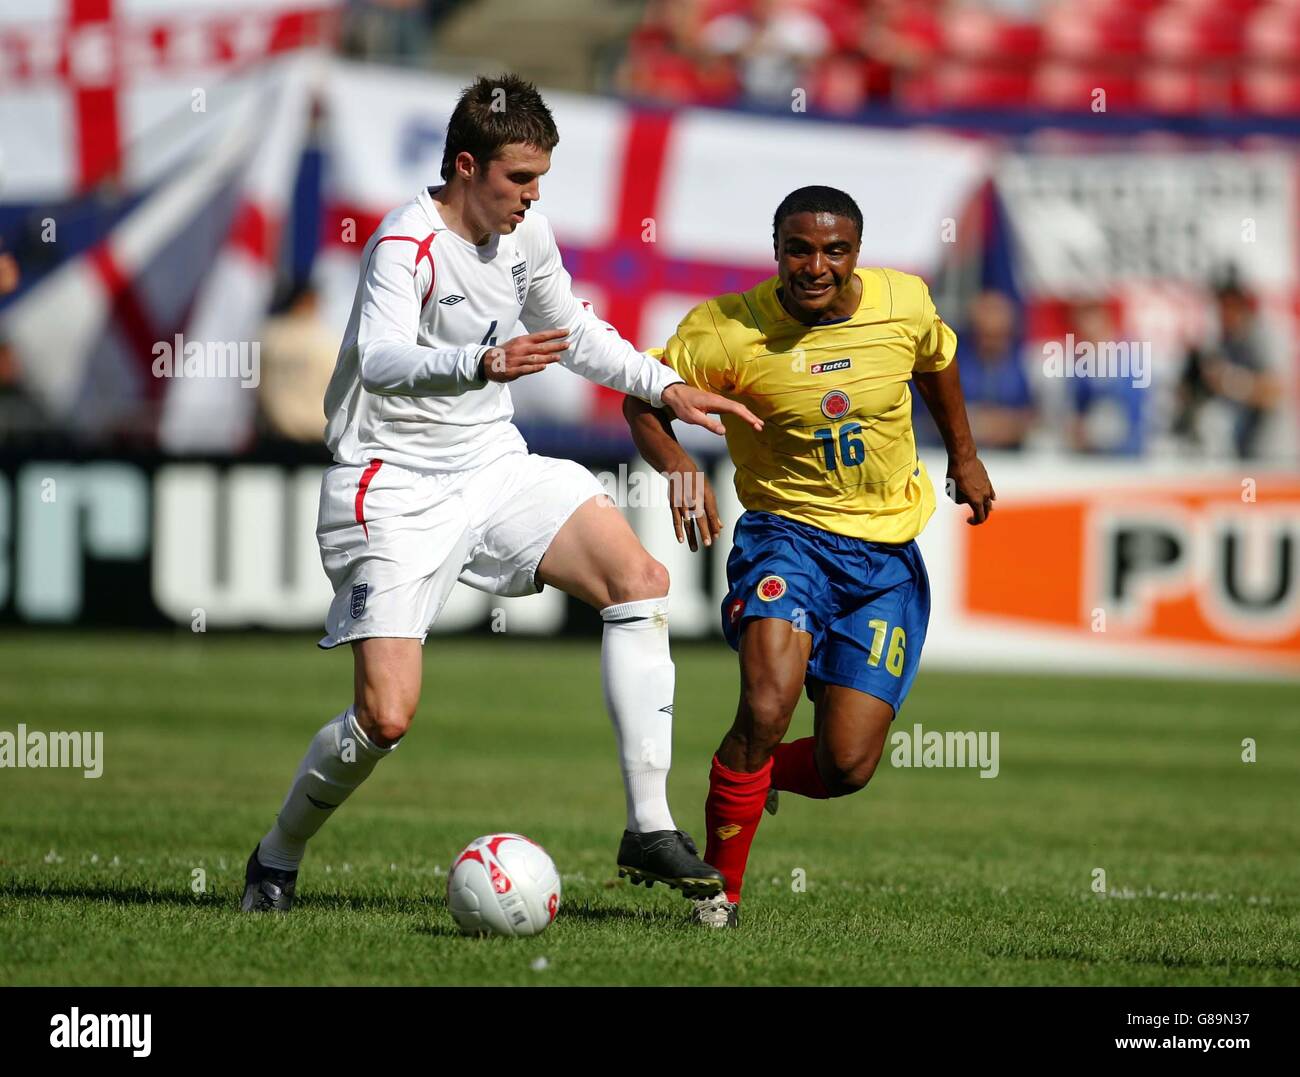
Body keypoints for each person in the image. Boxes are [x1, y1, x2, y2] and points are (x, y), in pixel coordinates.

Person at [241, 73, 762, 913]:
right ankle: (278, 850)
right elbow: (379, 359)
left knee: (639, 580)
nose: (530, 198)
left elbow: (577, 334)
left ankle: (648, 825)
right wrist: (478, 363)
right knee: (385, 718)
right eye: (518, 180)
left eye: (539, 182)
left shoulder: (528, 239)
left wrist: (666, 389)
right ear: (464, 165)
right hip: (391, 486)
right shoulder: (404, 245)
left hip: (492, 466)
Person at [624, 185, 994, 927]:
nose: (815, 266)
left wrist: (965, 454)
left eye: (834, 250)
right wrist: (680, 467)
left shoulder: (904, 303)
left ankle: (745, 777)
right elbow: (644, 399)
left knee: (846, 765)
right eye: (799, 249)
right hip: (784, 537)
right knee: (765, 704)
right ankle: (718, 896)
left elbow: (937, 361)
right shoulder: (725, 332)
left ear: (856, 252)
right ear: (777, 251)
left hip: (884, 556)